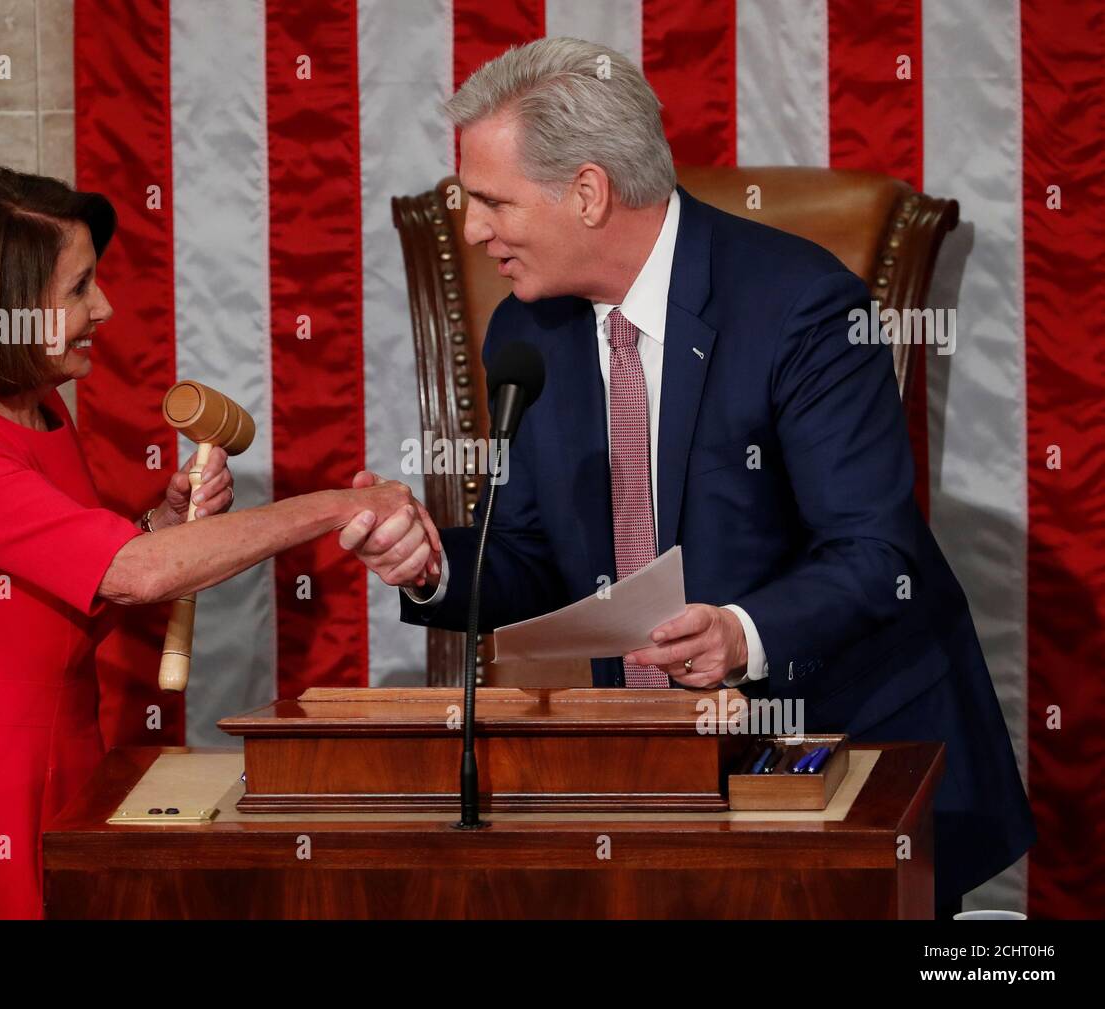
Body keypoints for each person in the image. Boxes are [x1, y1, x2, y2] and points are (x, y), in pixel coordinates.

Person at [342, 38, 1034, 916]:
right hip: (642, 778)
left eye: (489, 200)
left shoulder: (801, 307)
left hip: (840, 752)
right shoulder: (530, 333)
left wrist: (741, 633)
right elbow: (529, 554)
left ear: (587, 192)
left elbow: (875, 550)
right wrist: (431, 559)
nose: (473, 229)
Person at [0, 168, 430, 919]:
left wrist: (159, 522)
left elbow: (76, 575)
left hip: (68, 770)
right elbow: (134, 577)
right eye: (79, 287)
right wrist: (339, 505)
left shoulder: (39, 408)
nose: (106, 306)